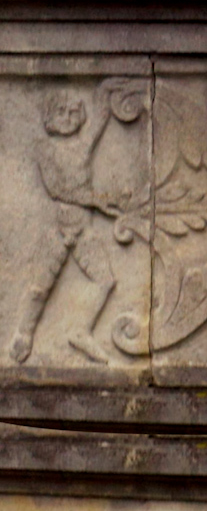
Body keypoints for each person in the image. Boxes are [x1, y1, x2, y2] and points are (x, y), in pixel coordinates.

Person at [7, 80, 141, 365]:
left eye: (72, 112)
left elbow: (101, 117)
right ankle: (24, 332)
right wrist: (100, 200)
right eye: (60, 113)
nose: (68, 119)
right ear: (48, 118)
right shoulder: (45, 148)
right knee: (39, 286)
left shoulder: (83, 144)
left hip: (82, 230)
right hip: (57, 229)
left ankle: (81, 330)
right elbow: (58, 189)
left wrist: (108, 89)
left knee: (105, 280)